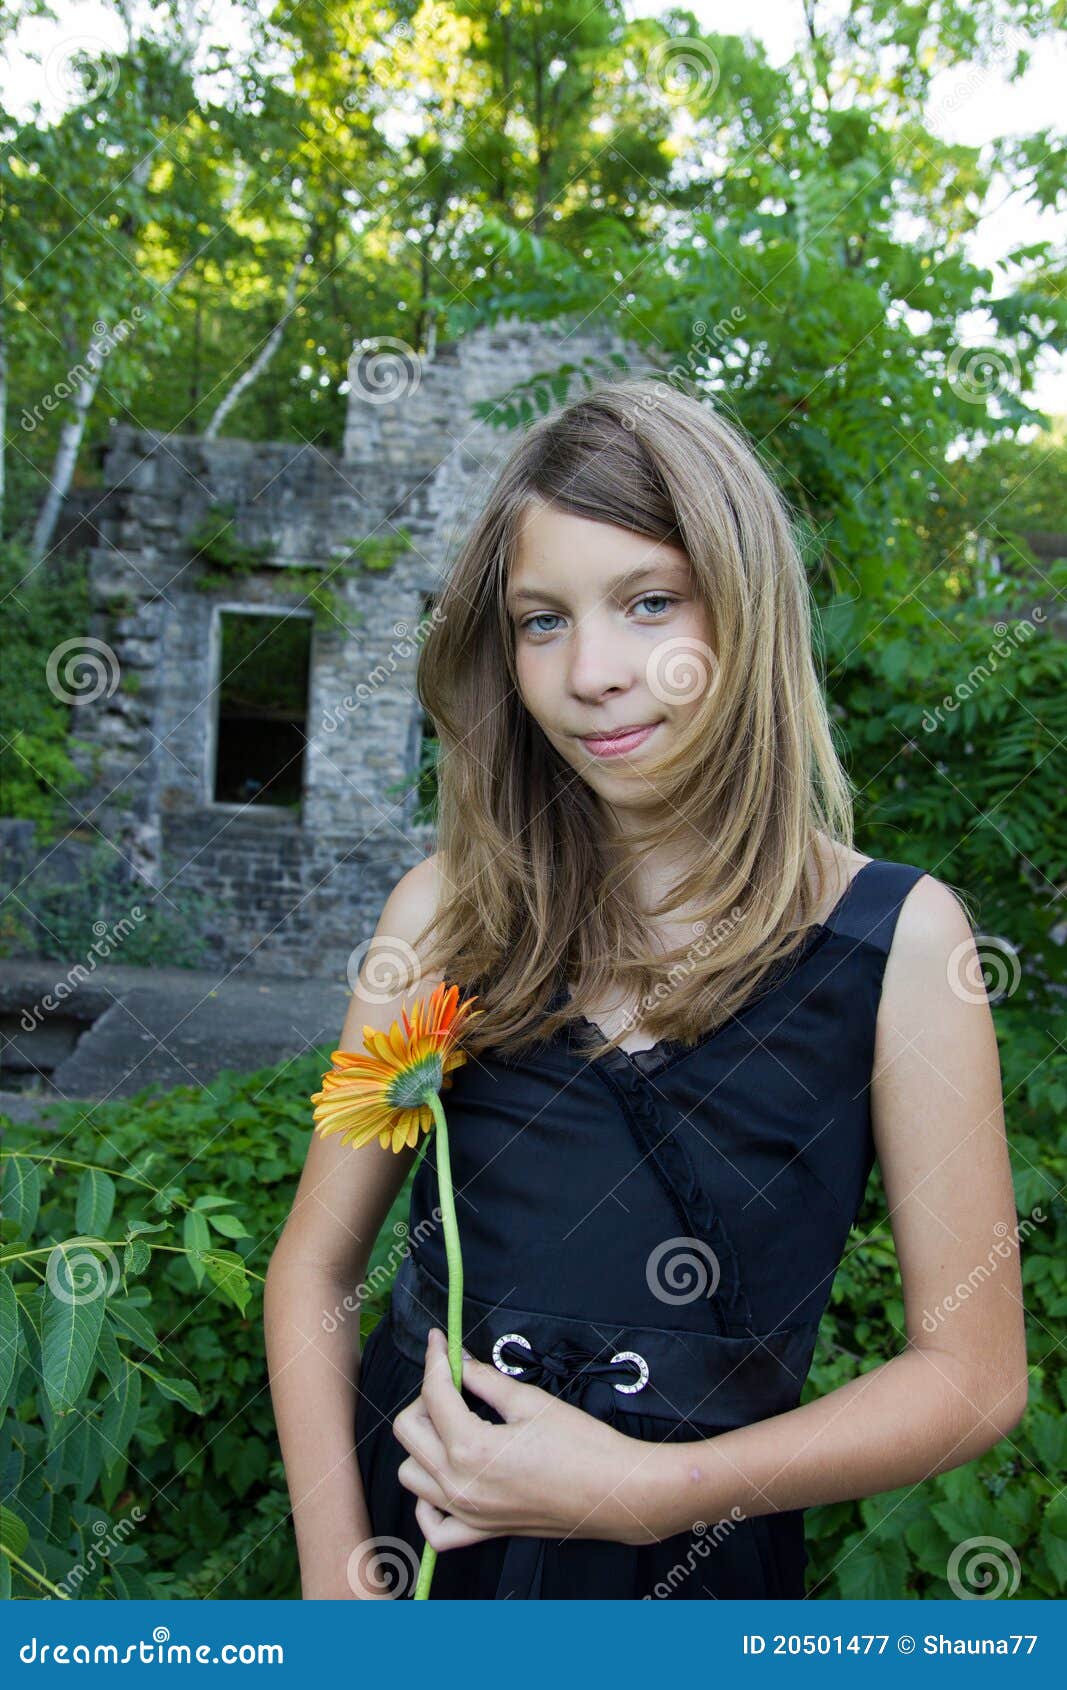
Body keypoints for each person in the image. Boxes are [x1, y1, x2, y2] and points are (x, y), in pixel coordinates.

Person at [264, 376, 1028, 1600]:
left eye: (648, 603)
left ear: (746, 613)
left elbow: (974, 1378)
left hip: (681, 1584)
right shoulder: (446, 913)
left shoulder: (899, 943)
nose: (592, 672)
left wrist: (642, 1495)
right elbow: (311, 1271)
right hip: (417, 1575)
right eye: (540, 620)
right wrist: (331, 1572)